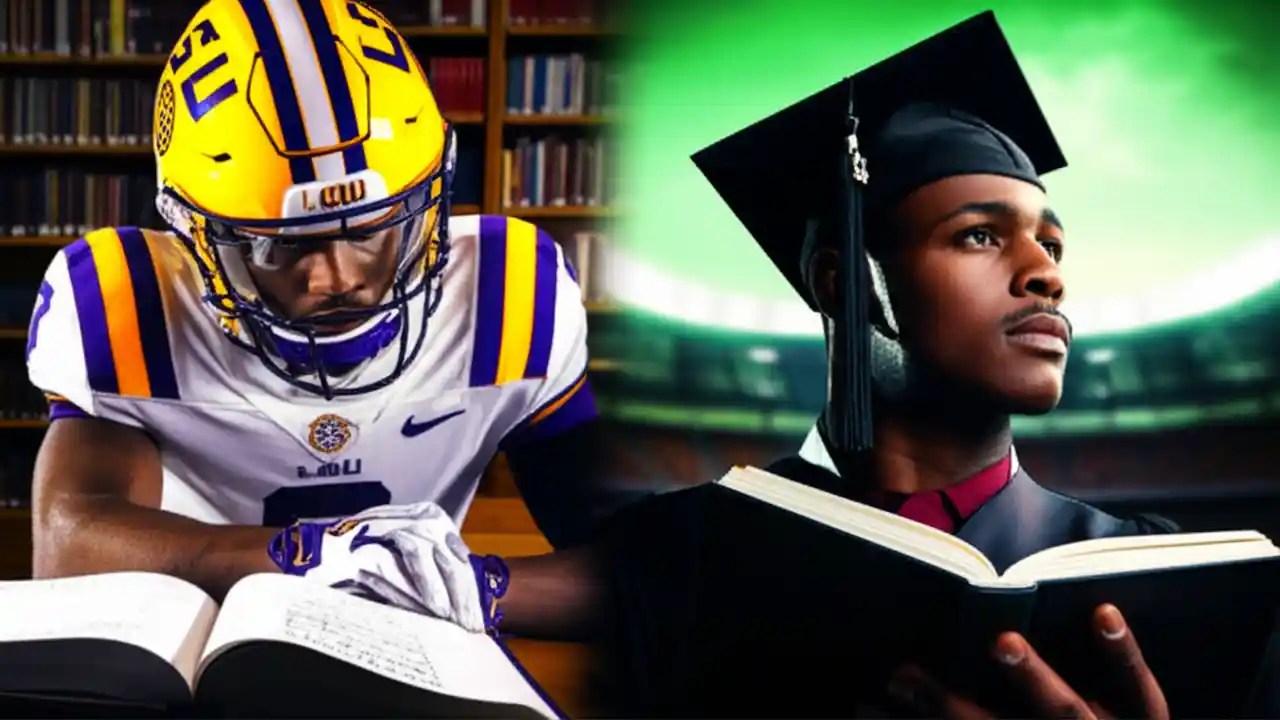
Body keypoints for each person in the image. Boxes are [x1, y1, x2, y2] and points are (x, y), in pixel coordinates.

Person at [474, 11, 1277, 717]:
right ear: (844, 281)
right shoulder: (682, 551)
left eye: (1052, 242)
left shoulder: (1163, 580)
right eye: (980, 235)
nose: (1046, 272)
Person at [23, 0, 621, 632]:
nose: (334, 280)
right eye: (278, 244)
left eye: (369, 231)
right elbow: (68, 550)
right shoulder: (132, 301)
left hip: (417, 653)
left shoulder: (511, 293)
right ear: (191, 230)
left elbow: (627, 562)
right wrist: (306, 558)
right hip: (202, 655)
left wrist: (478, 588)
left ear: (433, 199)